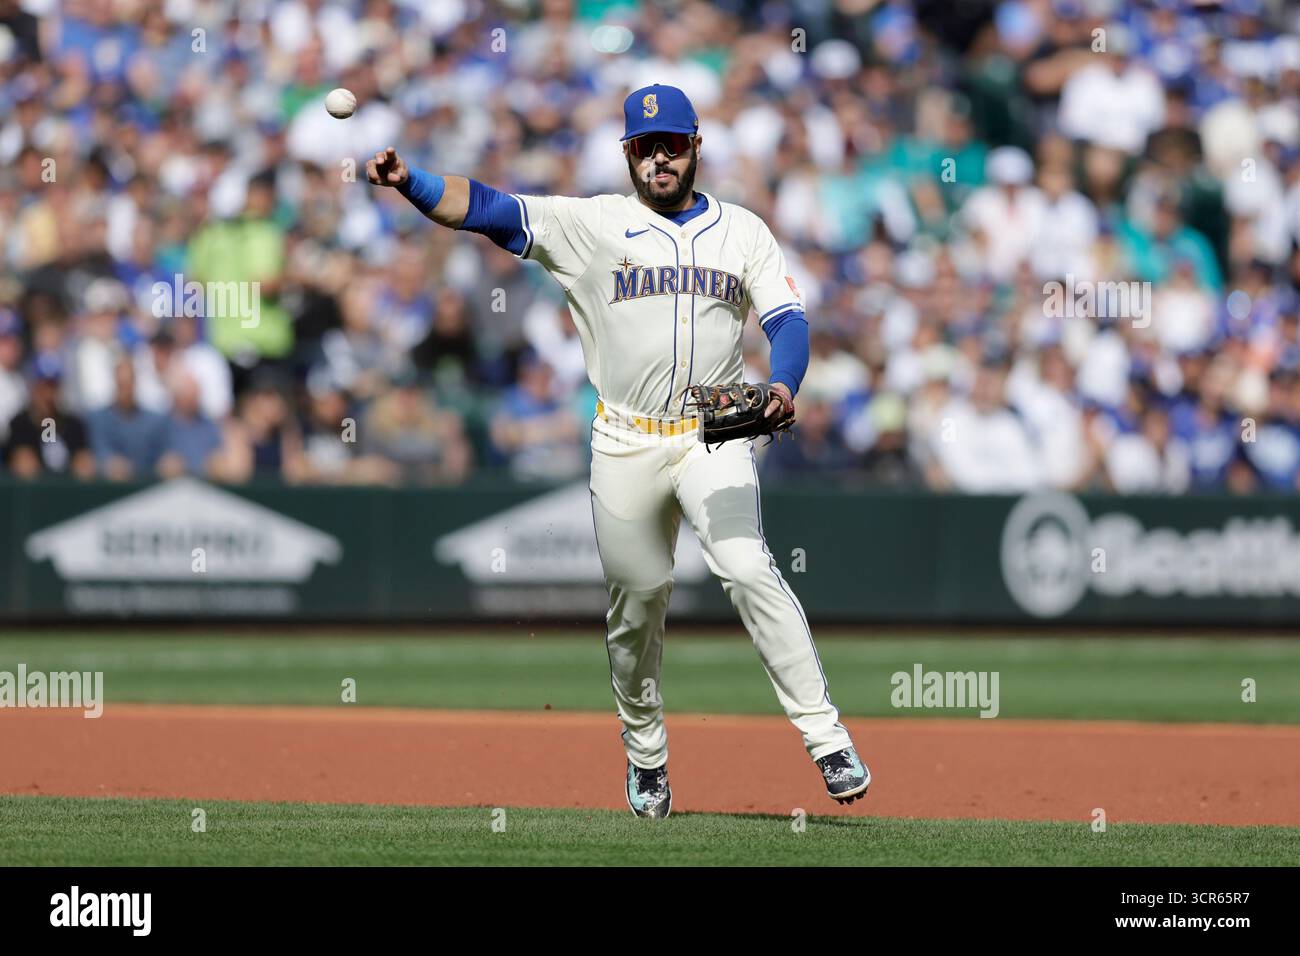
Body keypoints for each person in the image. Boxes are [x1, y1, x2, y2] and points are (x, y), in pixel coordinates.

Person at [367, 84, 869, 818]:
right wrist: (411, 181)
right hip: (626, 437)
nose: (658, 157)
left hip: (713, 432)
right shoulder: (592, 224)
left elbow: (787, 318)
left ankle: (826, 738)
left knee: (745, 565)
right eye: (644, 146)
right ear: (627, 155)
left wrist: (786, 383)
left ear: (696, 147)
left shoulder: (744, 231)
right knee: (638, 602)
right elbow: (486, 207)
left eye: (670, 143)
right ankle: (647, 756)